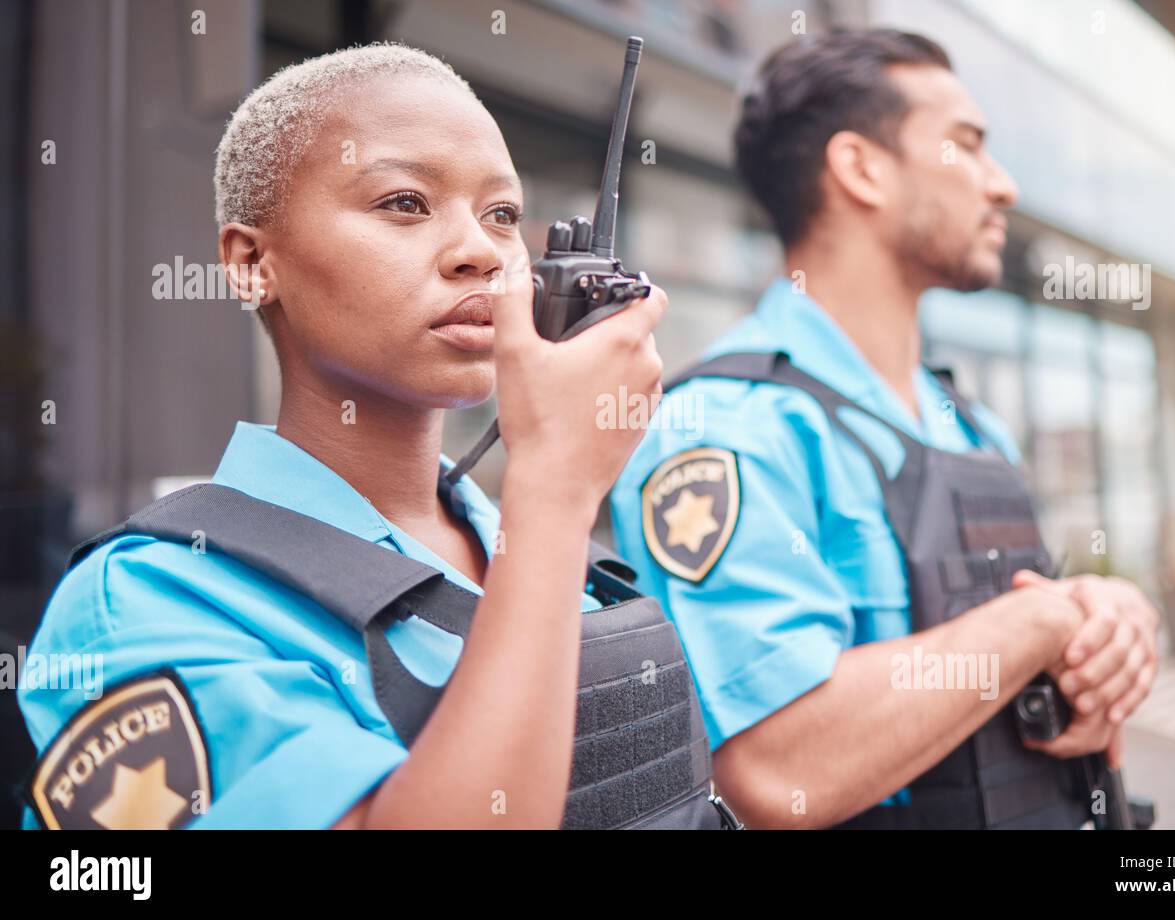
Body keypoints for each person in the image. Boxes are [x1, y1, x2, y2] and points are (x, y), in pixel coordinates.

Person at [20, 43, 681, 830]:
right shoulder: (148, 602)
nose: (482, 251)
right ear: (251, 263)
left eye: (502, 214)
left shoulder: (565, 554)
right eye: (404, 202)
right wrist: (556, 486)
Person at [610, 29, 1160, 829]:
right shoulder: (724, 429)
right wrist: (1045, 619)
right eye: (966, 147)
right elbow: (774, 767)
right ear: (861, 169)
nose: (1001, 186)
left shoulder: (972, 427)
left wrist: (1110, 625)